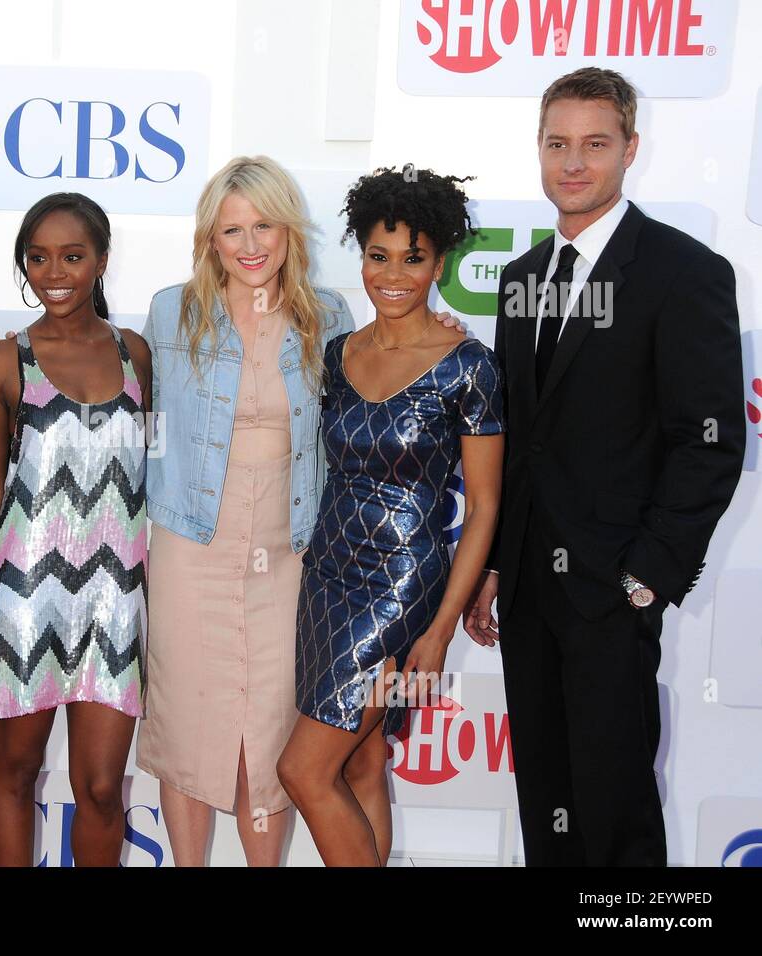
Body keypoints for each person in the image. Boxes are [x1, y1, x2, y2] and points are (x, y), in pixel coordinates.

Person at [463, 68, 745, 866]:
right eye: (558, 144)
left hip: (614, 592)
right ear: (540, 150)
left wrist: (645, 577)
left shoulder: (682, 272)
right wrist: (493, 568)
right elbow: (523, 440)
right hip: (526, 590)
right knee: (547, 806)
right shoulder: (522, 280)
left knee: (615, 815)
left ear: (631, 150)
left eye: (595, 143)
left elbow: (711, 440)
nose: (574, 163)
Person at [278, 167, 506, 866]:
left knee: (303, 770)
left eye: (415, 257)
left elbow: (486, 504)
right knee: (359, 764)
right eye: (380, 256)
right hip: (327, 578)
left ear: (441, 262)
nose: (395, 274)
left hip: (402, 588)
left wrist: (439, 630)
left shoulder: (468, 365)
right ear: (362, 257)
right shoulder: (339, 354)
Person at [132, 156, 354, 866]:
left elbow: (372, 400)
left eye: (264, 225)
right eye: (233, 230)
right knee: (189, 726)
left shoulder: (330, 315)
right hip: (190, 541)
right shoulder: (173, 311)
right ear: (211, 239)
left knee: (269, 731)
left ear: (289, 229)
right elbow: (130, 407)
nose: (250, 243)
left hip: (290, 547)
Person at [0, 192, 151, 867]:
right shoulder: (3, 362)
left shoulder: (137, 353)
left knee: (103, 786)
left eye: (72, 256)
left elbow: (149, 480)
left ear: (102, 262)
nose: (54, 271)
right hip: (21, 597)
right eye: (38, 258)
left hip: (117, 602)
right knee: (15, 772)